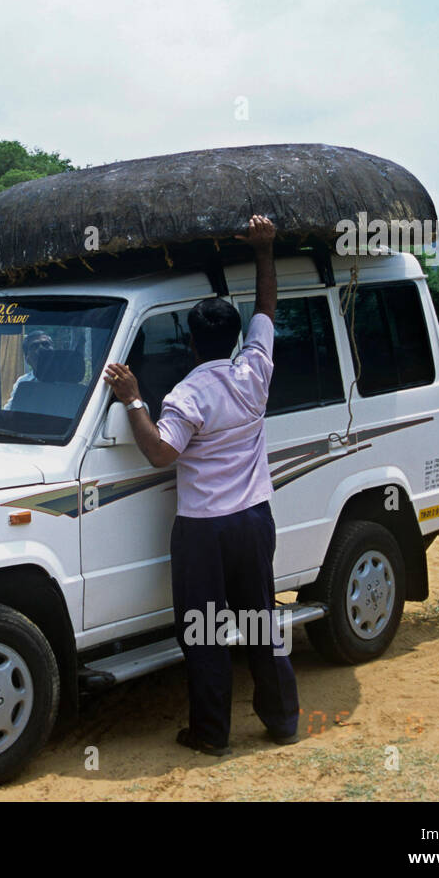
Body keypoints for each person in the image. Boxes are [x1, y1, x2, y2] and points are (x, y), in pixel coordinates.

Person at [102, 214, 299, 756]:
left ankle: (211, 735)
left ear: (190, 341)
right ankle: (282, 721)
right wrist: (264, 248)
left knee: (204, 633)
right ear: (235, 337)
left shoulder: (188, 395)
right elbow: (266, 306)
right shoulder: (255, 369)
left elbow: (162, 453)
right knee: (261, 621)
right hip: (254, 521)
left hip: (203, 532)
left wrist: (133, 399)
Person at [2, 329, 54, 410]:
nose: (41, 349)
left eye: (45, 344)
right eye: (34, 346)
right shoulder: (23, 382)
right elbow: (9, 411)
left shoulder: (68, 379)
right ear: (27, 358)